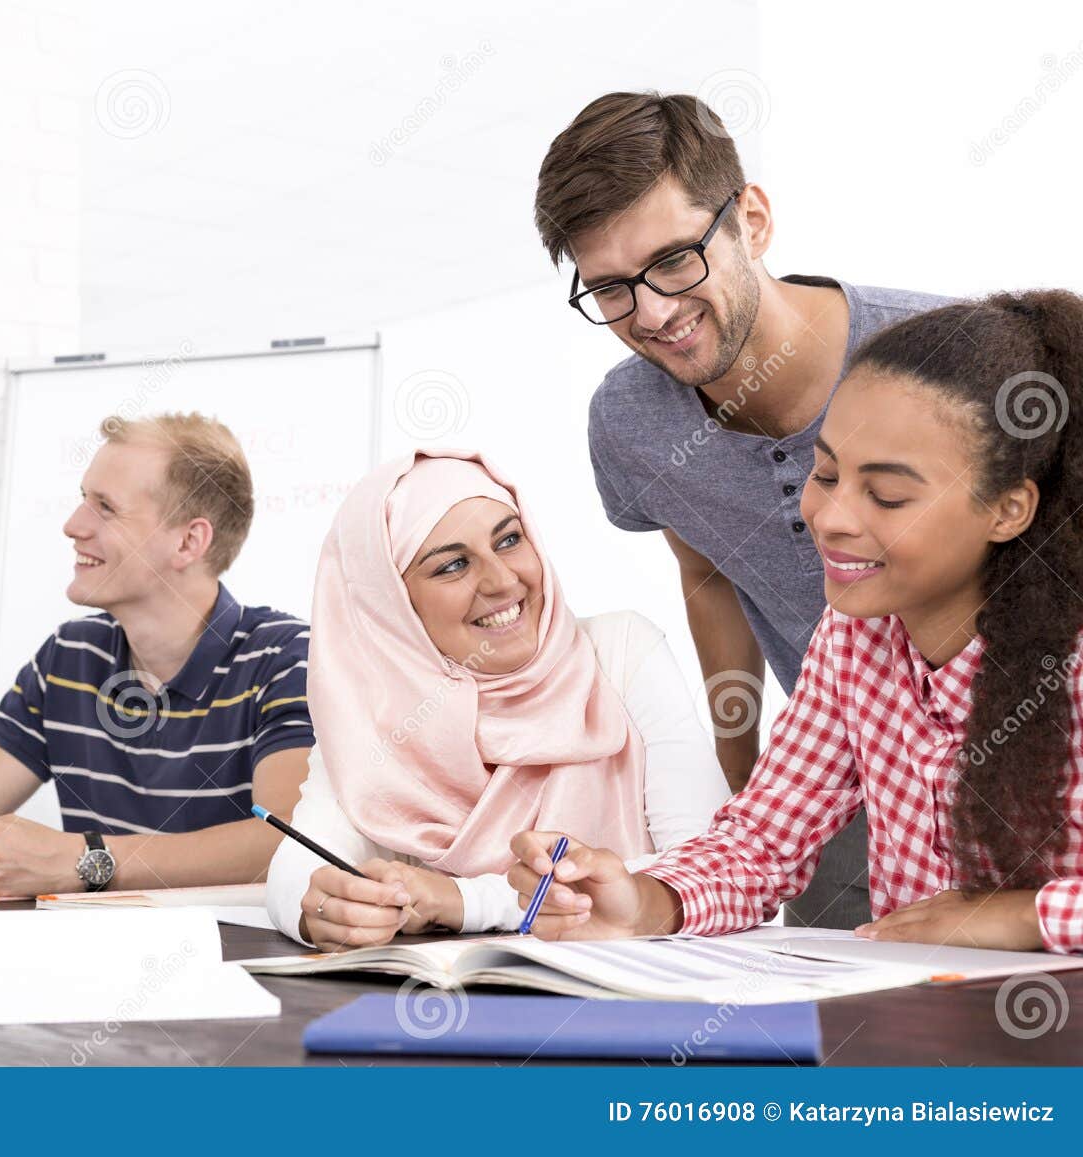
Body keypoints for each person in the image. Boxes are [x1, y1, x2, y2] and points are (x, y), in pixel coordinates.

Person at [508, 291, 1083, 954]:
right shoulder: (854, 640)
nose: (832, 517)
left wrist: (1025, 916)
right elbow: (762, 842)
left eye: (888, 494)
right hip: (924, 1029)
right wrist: (642, 901)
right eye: (827, 472)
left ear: (1008, 509)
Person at [535, 90, 950, 927]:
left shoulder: (941, 362)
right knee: (847, 1035)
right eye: (610, 288)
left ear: (751, 221)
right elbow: (710, 574)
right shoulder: (631, 424)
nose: (651, 312)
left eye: (675, 259)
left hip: (1025, 783)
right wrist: (744, 777)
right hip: (832, 779)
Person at [265, 450, 728, 948]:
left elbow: (706, 864)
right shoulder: (370, 717)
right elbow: (298, 867)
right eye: (453, 566)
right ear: (389, 606)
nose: (503, 581)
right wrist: (320, 910)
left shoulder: (622, 653)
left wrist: (467, 901)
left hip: (647, 1005)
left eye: (509, 540)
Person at [0, 413, 314, 897]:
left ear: (188, 541)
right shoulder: (68, 657)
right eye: (83, 500)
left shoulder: (287, 658)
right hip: (90, 956)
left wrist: (87, 860)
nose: (73, 526)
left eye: (105, 507)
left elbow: (289, 841)